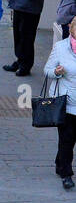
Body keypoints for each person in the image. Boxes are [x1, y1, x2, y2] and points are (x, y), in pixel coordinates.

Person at [42, 28, 76, 190]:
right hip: (66, 103)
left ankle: (60, 162)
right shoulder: (61, 47)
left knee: (70, 140)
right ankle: (66, 174)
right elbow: (47, 70)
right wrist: (56, 72)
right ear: (72, 29)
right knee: (67, 139)